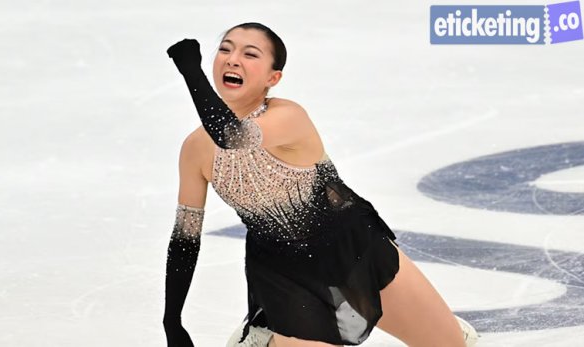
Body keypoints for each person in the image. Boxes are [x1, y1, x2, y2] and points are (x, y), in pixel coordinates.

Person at [163, 22, 478, 347]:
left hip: (353, 246)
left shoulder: (288, 117)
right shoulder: (195, 151)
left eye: (250, 53)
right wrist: (172, 321)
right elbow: (185, 239)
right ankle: (264, 337)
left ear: (274, 78)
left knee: (450, 344)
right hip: (283, 273)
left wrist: (190, 70)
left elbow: (231, 136)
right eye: (225, 49)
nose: (232, 59)